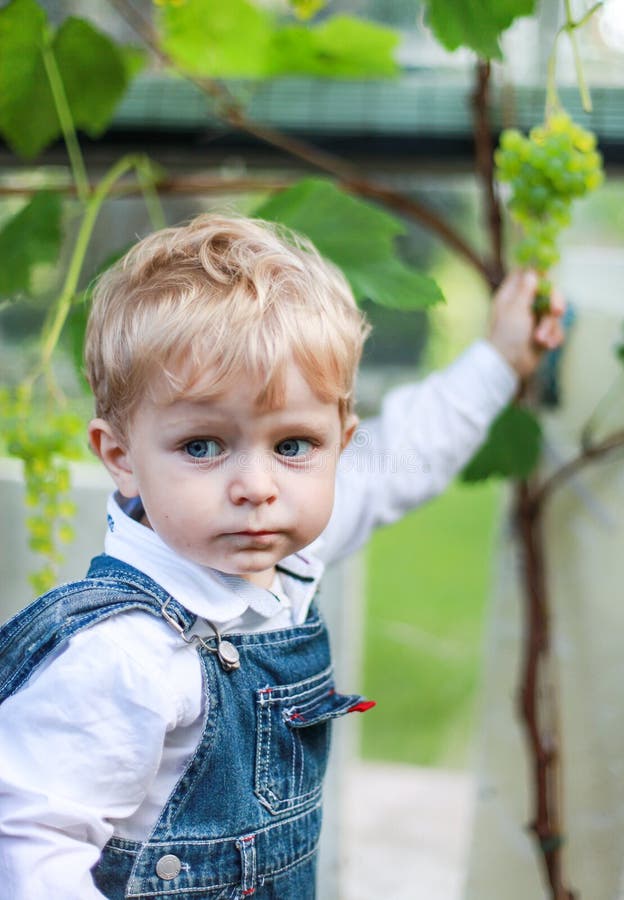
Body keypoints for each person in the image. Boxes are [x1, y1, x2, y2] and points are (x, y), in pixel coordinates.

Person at [0, 214, 563, 899]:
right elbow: (30, 840)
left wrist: (500, 361)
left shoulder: (288, 550)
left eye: (293, 445)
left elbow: (412, 449)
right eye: (203, 446)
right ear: (121, 456)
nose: (258, 488)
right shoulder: (126, 654)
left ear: (340, 442)